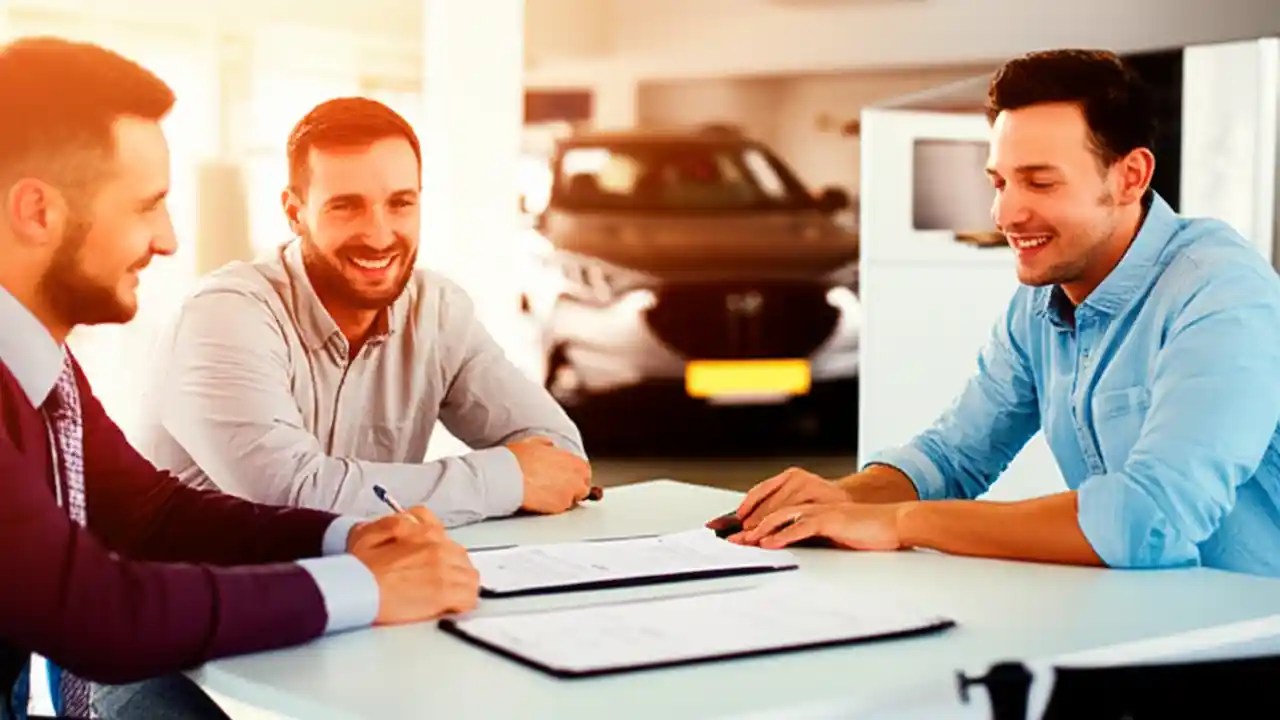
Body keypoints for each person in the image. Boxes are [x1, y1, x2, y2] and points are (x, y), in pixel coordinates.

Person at [0, 37, 479, 720]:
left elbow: (148, 516)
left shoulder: (41, 370)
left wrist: (345, 537)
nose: (167, 239)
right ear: (38, 211)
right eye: (145, 206)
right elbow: (93, 614)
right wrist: (364, 587)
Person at [715, 49, 1280, 576]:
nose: (1006, 212)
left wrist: (898, 523)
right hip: (1151, 625)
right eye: (1000, 181)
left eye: (1040, 182)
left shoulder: (1222, 293)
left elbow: (1151, 520)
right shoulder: (1041, 303)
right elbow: (953, 455)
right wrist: (839, 499)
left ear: (1130, 176)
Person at [133, 97, 592, 526]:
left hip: (368, 587)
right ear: (295, 213)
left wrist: (511, 479)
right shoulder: (223, 317)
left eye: (400, 203)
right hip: (211, 595)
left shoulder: (437, 310)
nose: (379, 234)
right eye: (346, 206)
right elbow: (290, 496)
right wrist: (506, 479)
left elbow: (561, 456)